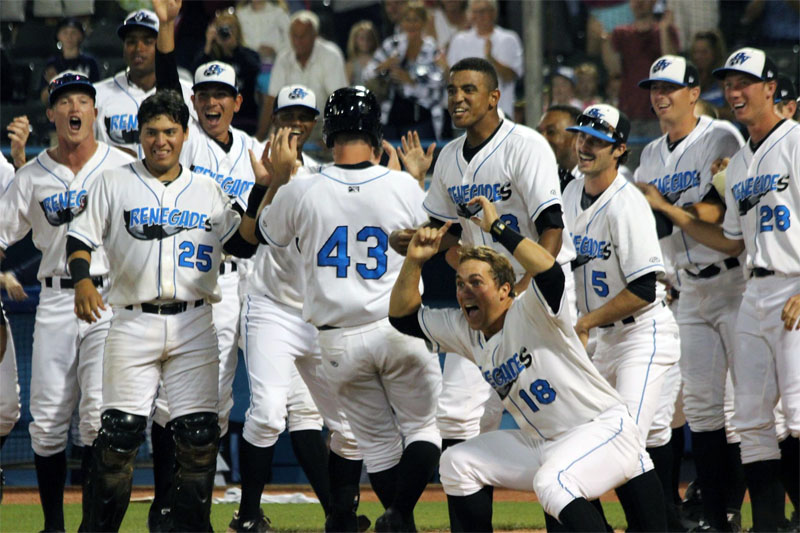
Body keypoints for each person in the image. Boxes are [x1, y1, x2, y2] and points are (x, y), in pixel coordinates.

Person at [387, 197, 665, 533]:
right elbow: (403, 318)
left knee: (552, 482)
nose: (465, 291)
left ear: (505, 289)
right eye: (460, 284)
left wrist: (497, 228)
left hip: (602, 429)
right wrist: (414, 262)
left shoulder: (530, 309)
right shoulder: (465, 329)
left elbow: (548, 270)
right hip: (544, 442)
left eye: (477, 282)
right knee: (457, 461)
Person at [66, 88, 262, 532]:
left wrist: (264, 188)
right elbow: (79, 239)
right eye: (152, 132)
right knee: (116, 439)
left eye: (170, 132)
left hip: (195, 322)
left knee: (197, 440)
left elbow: (242, 244)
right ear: (140, 135)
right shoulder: (113, 182)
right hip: (133, 321)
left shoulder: (207, 189)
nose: (160, 140)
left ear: (184, 133)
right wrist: (81, 280)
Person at [257, 86, 442, 532]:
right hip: (398, 325)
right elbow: (432, 241)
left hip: (338, 338)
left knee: (376, 446)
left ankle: (401, 521)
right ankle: (399, 515)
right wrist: (415, 181)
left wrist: (278, 179)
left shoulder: (302, 189)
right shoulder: (402, 185)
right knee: (423, 430)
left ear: (328, 132)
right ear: (376, 133)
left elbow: (263, 232)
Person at [637, 46, 800, 532]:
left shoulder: (791, 141)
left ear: (771, 88)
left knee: (793, 414)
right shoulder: (744, 160)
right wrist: (670, 212)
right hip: (749, 287)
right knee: (749, 420)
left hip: (790, 284)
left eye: (745, 82)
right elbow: (729, 239)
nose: (735, 91)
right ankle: (763, 524)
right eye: (729, 83)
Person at [0, 71, 134, 532]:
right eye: (64, 101)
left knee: (98, 417)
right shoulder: (33, 175)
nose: (74, 108)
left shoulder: (122, 166)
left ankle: (93, 525)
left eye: (83, 99)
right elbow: (1, 233)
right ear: (52, 114)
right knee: (48, 421)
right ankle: (54, 526)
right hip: (56, 299)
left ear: (95, 111)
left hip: (108, 297)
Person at [634, 54, 747, 531]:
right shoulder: (650, 155)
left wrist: (667, 206)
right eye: (654, 89)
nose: (660, 96)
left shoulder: (722, 137)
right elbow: (660, 219)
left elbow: (721, 210)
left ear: (694, 93)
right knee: (701, 406)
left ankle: (736, 507)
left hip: (734, 280)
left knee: (743, 408)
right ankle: (715, 512)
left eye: (670, 88)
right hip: (687, 288)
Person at [561, 103, 682, 527]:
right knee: (577, 437)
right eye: (582, 136)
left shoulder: (626, 203)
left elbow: (645, 289)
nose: (586, 145)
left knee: (624, 439)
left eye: (597, 140)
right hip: (600, 338)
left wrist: (585, 323)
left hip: (641, 334)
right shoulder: (572, 192)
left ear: (619, 150)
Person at [93, 9, 193, 158]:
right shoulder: (98, 95)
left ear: (161, 45)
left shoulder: (187, 93)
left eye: (147, 41)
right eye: (131, 41)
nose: (138, 48)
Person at [259, 10, 347, 141]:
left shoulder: (331, 55)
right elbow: (272, 100)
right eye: (294, 36)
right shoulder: (283, 58)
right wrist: (259, 137)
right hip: (287, 122)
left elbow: (339, 100)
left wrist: (332, 133)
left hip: (321, 123)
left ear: (315, 35)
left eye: (303, 36)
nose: (298, 41)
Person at [362, 1, 445, 140]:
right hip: (389, 120)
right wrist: (384, 65)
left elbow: (437, 87)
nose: (411, 24)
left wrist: (410, 81)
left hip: (422, 122)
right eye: (407, 20)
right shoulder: (391, 45)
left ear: (424, 23)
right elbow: (367, 75)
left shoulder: (432, 49)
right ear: (402, 22)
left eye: (415, 20)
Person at [599, 0, 679, 123]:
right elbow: (614, 69)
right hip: (629, 110)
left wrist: (663, 30)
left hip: (659, 112)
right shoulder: (621, 33)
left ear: (654, 2)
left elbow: (671, 65)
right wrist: (604, 40)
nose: (639, 3)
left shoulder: (666, 30)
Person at [446, 0, 523, 118]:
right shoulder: (459, 40)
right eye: (475, 12)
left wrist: (491, 59)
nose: (479, 16)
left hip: (500, 113)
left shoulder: (509, 39)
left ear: (494, 13)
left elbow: (510, 77)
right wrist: (443, 67)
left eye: (483, 11)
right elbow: (451, 80)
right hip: (465, 115)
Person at [193, 9, 261, 135]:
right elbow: (196, 75)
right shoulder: (208, 57)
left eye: (230, 28)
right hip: (213, 118)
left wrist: (235, 48)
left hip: (245, 119)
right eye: (221, 28)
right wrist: (208, 45)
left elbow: (254, 70)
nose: (225, 32)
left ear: (237, 31)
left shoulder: (248, 55)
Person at [38, 17, 100, 105]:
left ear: (81, 36)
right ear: (58, 36)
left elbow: (96, 92)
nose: (69, 37)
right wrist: (53, 83)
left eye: (73, 33)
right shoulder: (52, 64)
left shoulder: (90, 62)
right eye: (65, 33)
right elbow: (44, 99)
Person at [536, 104, 581, 192]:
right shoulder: (543, 177)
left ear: (577, 139)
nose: (542, 138)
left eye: (551, 132)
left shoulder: (591, 182)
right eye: (539, 132)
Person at [345, 20, 381, 86]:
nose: (366, 41)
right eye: (362, 38)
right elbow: (346, 86)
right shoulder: (351, 65)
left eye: (369, 38)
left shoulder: (380, 59)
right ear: (354, 41)